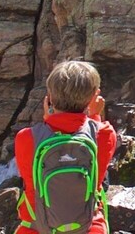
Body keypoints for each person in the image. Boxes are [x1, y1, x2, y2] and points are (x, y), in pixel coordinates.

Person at [15, 60, 118, 234]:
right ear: (94, 97)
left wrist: (49, 120)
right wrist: (95, 116)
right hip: (89, 228)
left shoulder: (26, 137)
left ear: (49, 97)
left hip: (36, 228)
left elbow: (30, 179)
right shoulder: (105, 133)